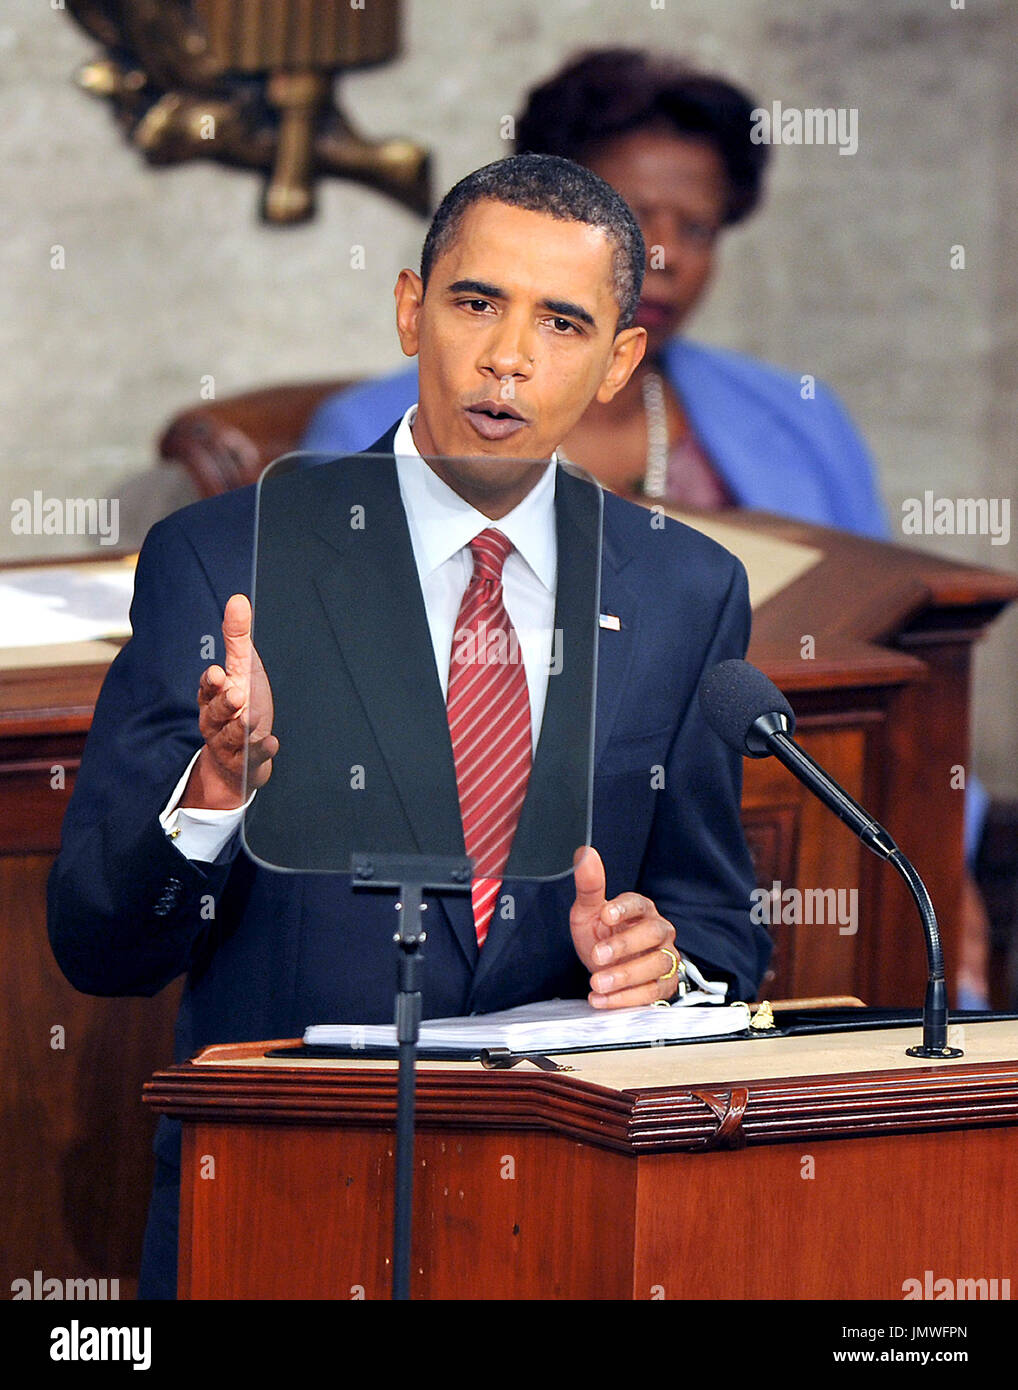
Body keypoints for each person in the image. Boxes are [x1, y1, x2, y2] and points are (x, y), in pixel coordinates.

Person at [48, 153, 770, 1298]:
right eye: (474, 302)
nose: (507, 359)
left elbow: (720, 929)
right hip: (281, 1210)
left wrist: (665, 963)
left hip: (559, 1218)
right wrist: (220, 789)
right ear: (407, 308)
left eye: (562, 322)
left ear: (619, 359)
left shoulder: (685, 591)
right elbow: (101, 941)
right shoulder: (229, 559)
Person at [302, 48, 889, 538]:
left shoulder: (802, 417)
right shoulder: (363, 433)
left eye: (697, 229)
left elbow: (882, 609)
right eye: (632, 219)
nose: (664, 256)